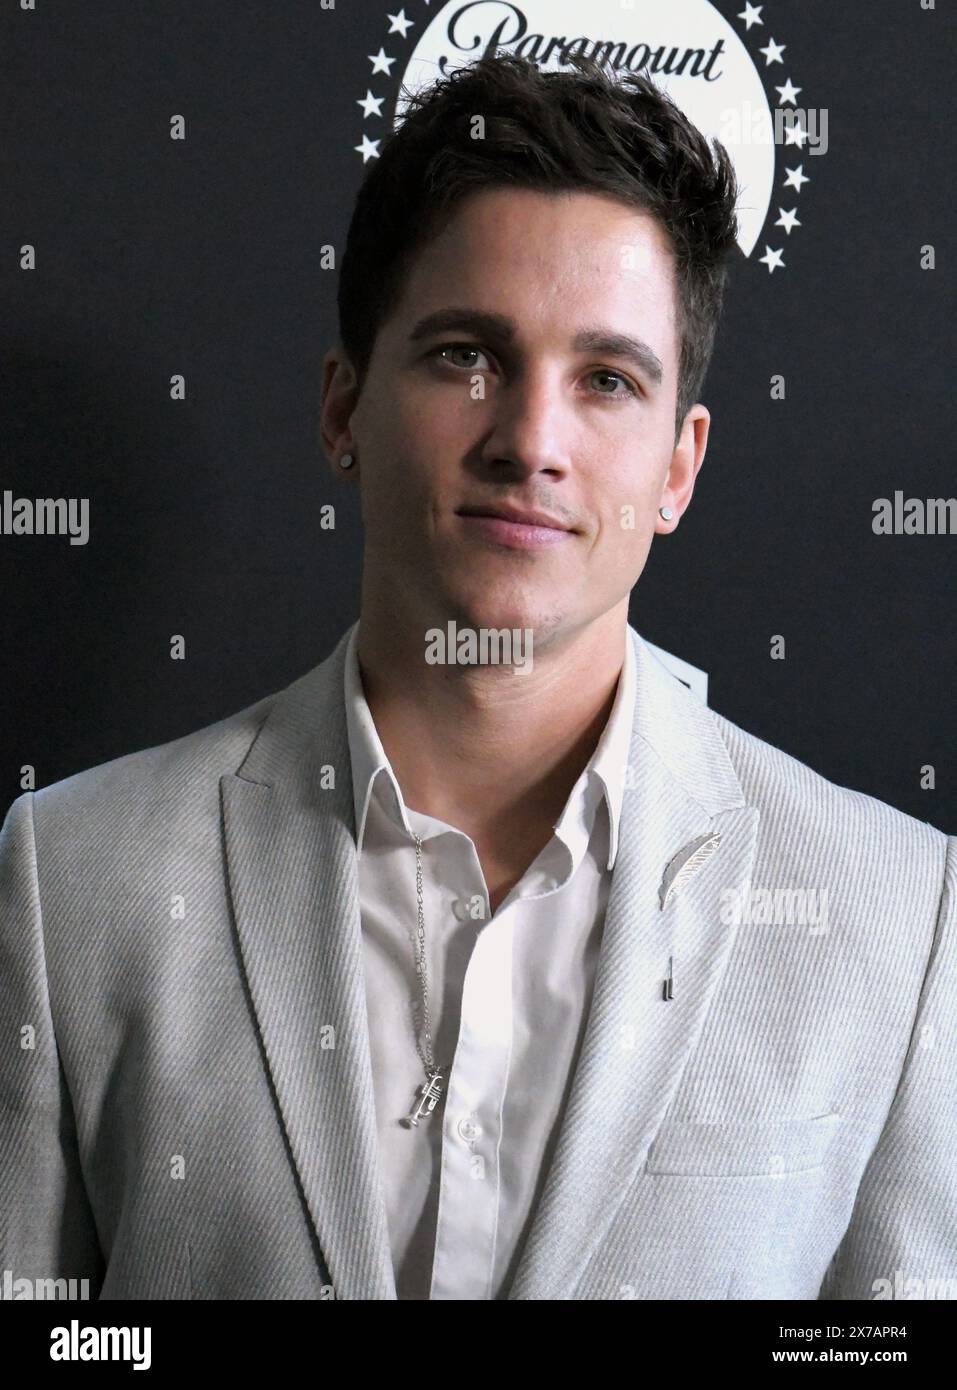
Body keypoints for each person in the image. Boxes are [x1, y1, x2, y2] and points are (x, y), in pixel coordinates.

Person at [1, 53, 953, 1302]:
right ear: (343, 409)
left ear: (679, 467)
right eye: (466, 356)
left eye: (607, 380)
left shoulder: (898, 919)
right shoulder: (71, 878)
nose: (531, 443)